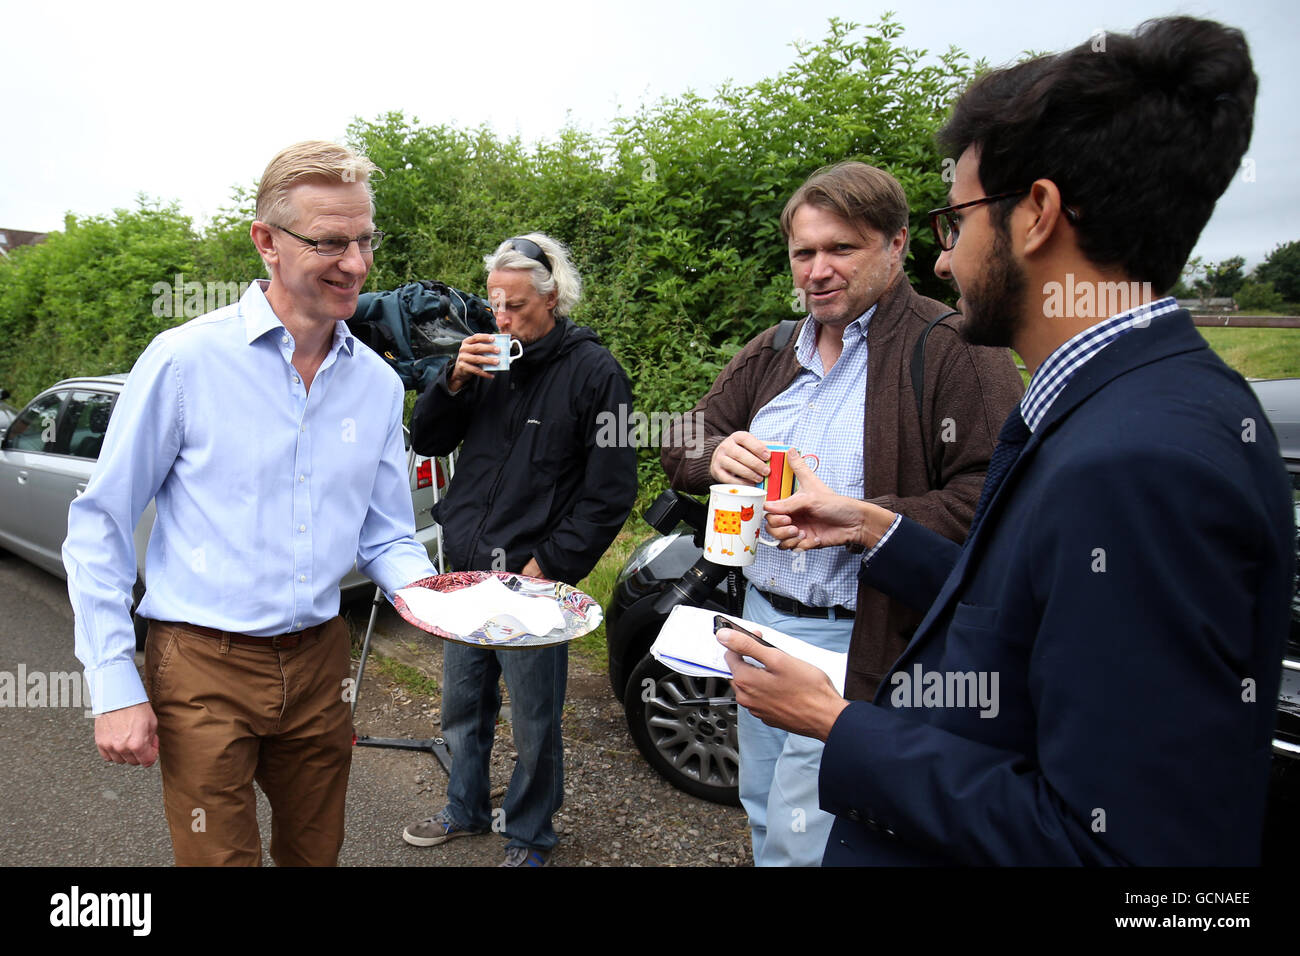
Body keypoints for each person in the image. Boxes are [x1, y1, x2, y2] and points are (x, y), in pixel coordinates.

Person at [724, 16, 1293, 865]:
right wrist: (876, 529)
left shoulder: (1143, 464)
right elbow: (1031, 609)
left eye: (955, 223)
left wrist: (838, 726)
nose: (946, 263)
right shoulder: (1116, 405)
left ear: (1035, 216)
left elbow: (1122, 853)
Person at [63, 141, 437, 865]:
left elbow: (388, 538)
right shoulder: (183, 362)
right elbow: (99, 524)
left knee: (313, 856)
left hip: (319, 664)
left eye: (365, 240)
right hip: (201, 665)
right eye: (330, 241)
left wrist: (447, 604)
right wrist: (113, 683)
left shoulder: (379, 386)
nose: (356, 264)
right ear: (266, 241)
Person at [661, 163, 1023, 865]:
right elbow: (683, 438)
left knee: (816, 838)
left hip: (873, 642)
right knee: (764, 808)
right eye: (804, 252)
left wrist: (863, 516)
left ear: (896, 245)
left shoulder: (953, 348)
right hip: (759, 620)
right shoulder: (772, 349)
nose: (818, 270)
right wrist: (714, 454)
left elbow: (997, 504)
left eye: (842, 249)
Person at [403, 233, 636, 867]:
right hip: (468, 571)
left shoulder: (595, 372)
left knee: (534, 723)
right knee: (462, 704)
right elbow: (427, 440)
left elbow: (611, 491)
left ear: (552, 294)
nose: (501, 321)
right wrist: (450, 378)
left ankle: (531, 834)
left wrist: (551, 566)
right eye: (494, 307)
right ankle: (465, 808)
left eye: (515, 308)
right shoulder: (485, 364)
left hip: (532, 580)